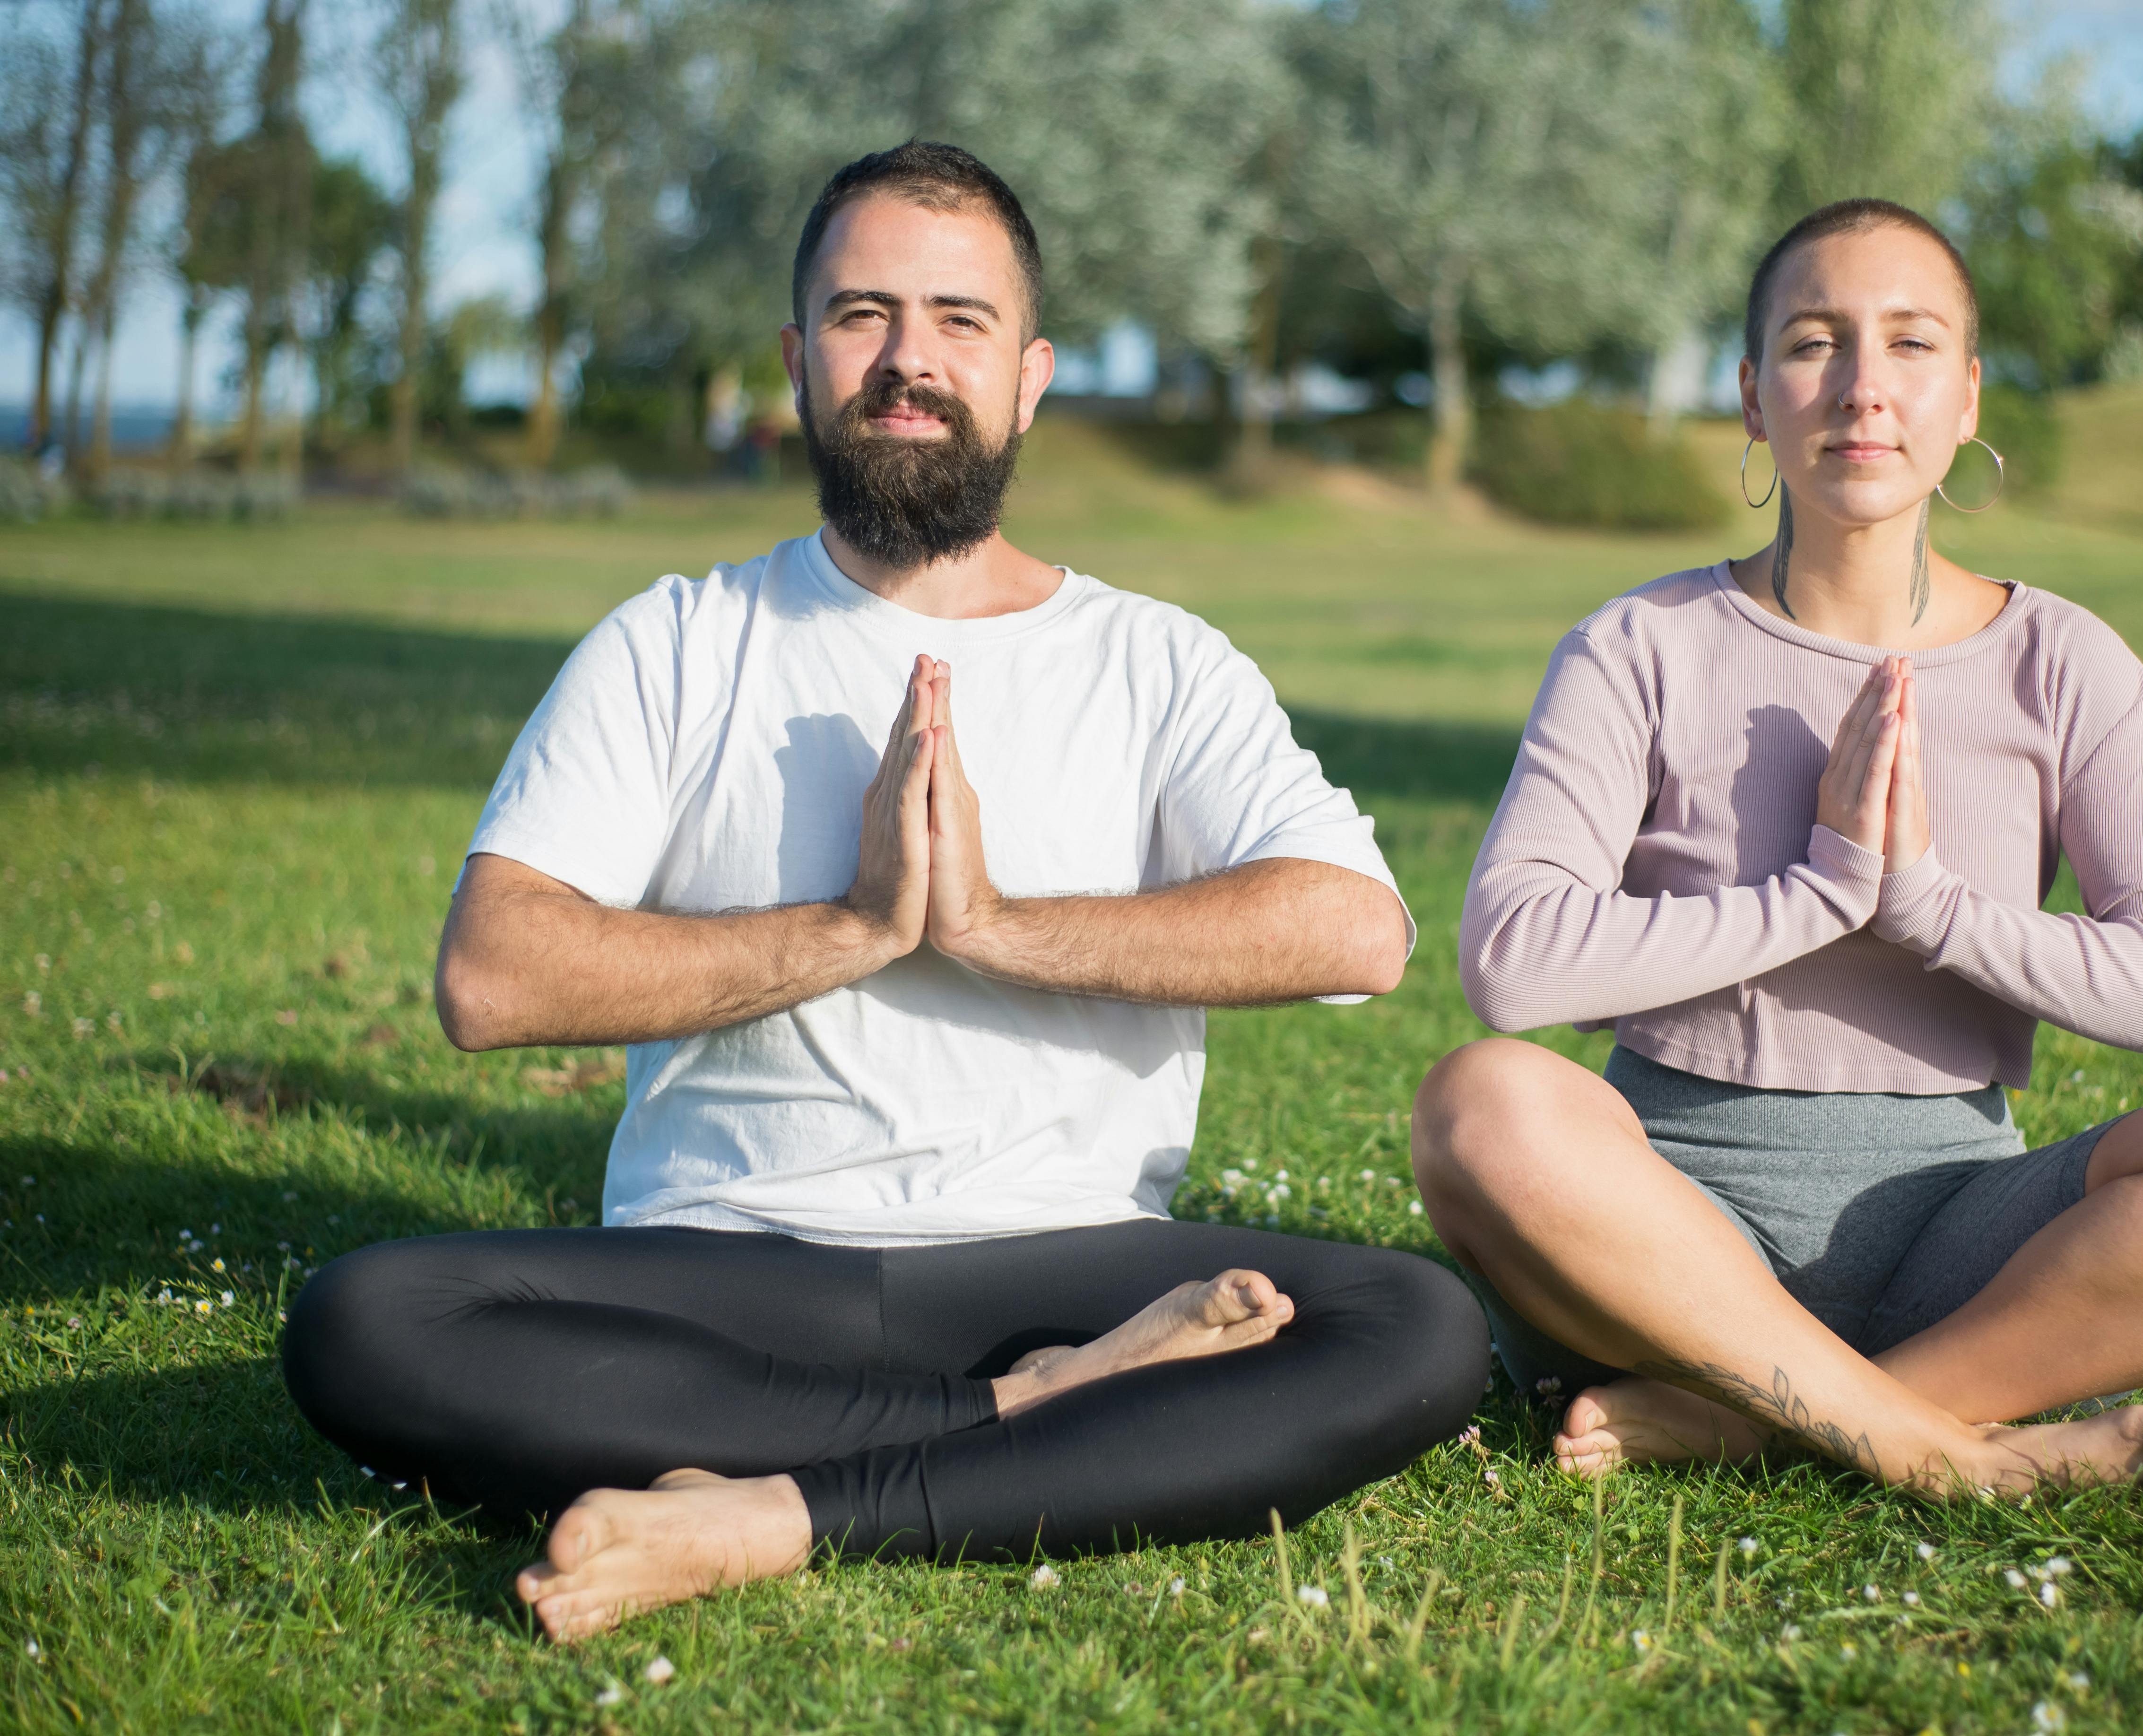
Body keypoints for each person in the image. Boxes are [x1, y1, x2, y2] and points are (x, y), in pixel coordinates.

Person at [279, 142, 1488, 1642]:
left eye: (960, 321)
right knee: (367, 1322)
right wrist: (852, 929)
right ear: (800, 361)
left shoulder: (1156, 660)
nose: (910, 359)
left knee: (1413, 1326)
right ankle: (1031, 1418)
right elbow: (492, 978)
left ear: (1030, 379)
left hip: (1062, 1258)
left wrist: (994, 930)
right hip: (728, 1265)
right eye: (864, 315)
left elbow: (1355, 926)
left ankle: (773, 1513)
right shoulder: (676, 641)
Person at [1410, 200, 2143, 1498]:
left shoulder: (2065, 664)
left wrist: (1926, 906)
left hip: (1962, 1246)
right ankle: (1939, 1449)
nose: (1863, 386)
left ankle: (1770, 1420)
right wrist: (1817, 894)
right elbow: (1514, 965)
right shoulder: (1638, 645)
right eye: (1815, 343)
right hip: (1661, 1244)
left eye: (1911, 344)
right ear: (1753, 397)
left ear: (1967, 397)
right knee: (1480, 1104)